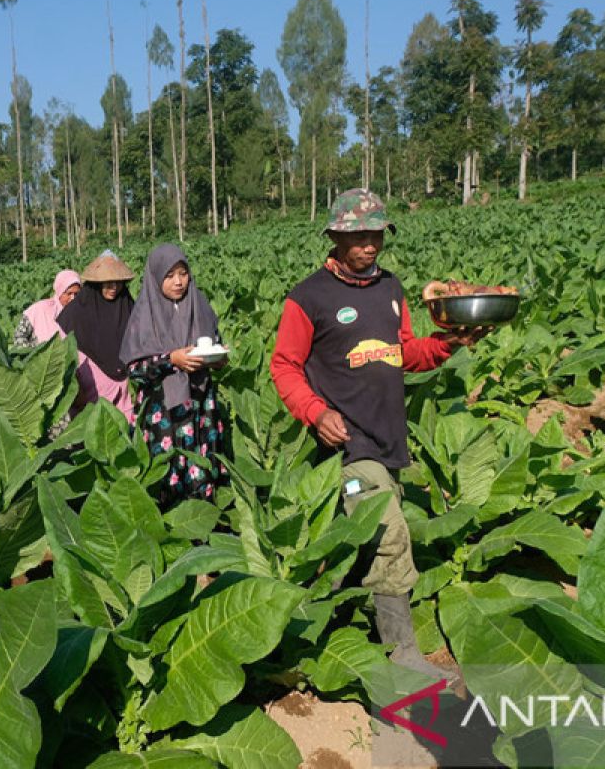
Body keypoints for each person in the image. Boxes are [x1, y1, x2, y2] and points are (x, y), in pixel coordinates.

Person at [270, 188, 484, 680]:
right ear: (336, 237)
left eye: (376, 236)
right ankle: (402, 655)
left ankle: (321, 622)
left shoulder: (391, 289)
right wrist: (314, 412)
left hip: (389, 436)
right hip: (347, 447)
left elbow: (405, 352)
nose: (369, 246)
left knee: (359, 540)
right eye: (359, 237)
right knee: (390, 534)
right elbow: (284, 365)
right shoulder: (308, 298)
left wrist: (448, 344)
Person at [121, 244, 229, 506]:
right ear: (156, 278)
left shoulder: (199, 304)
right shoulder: (144, 316)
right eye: (169, 276)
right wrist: (171, 360)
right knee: (165, 472)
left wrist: (217, 360)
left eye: (183, 273)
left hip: (200, 403)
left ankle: (202, 528)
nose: (179, 282)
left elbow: (216, 343)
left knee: (202, 466)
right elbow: (135, 370)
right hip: (164, 411)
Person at [56, 251, 137, 422]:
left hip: (124, 390)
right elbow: (65, 356)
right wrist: (77, 392)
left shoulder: (127, 305)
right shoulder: (77, 313)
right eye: (108, 282)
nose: (114, 287)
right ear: (96, 283)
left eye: (118, 282)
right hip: (90, 393)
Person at [13, 269, 81, 349]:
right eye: (69, 293)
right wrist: (33, 353)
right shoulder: (40, 309)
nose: (73, 298)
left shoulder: (82, 313)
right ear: (59, 291)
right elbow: (19, 336)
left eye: (76, 294)